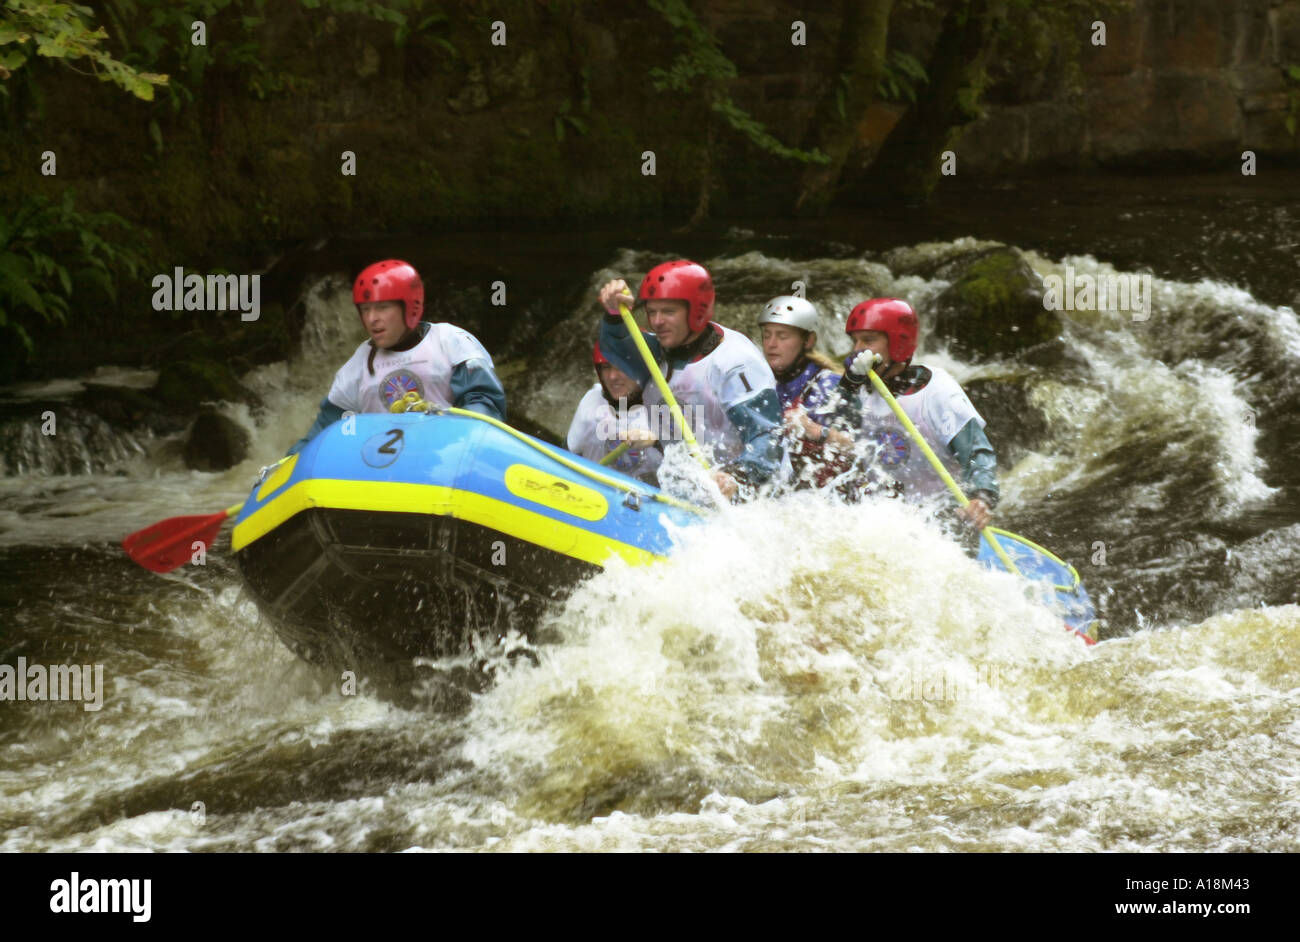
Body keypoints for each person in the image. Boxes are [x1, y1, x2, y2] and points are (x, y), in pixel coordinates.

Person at [597, 260, 781, 500]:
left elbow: (767, 436)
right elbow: (617, 348)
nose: (657, 322)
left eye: (668, 312)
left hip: (746, 497)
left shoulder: (735, 362)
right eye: (652, 312)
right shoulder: (657, 352)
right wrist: (613, 314)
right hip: (688, 491)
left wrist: (737, 476)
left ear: (697, 311)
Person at [289, 259, 506, 454]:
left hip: (448, 458)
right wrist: (289, 463)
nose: (372, 319)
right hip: (386, 474)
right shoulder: (356, 368)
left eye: (382, 308)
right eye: (365, 310)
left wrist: (453, 432)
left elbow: (483, 403)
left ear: (411, 307)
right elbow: (323, 436)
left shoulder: (451, 341)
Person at [831, 297, 997, 528]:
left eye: (868, 340)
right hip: (881, 516)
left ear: (898, 343)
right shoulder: (859, 389)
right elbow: (839, 431)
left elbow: (976, 453)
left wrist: (982, 496)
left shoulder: (937, 390)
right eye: (855, 341)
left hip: (943, 516)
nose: (857, 350)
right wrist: (847, 387)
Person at [756, 295, 850, 489]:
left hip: (828, 496)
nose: (771, 344)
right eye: (767, 335)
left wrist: (815, 430)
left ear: (808, 341)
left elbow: (856, 446)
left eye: (782, 336)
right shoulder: (760, 382)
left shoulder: (828, 386)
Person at [566, 341, 661, 482]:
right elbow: (568, 453)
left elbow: (691, 465)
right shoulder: (593, 399)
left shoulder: (663, 408)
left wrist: (655, 441)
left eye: (620, 367)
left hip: (641, 499)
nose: (612, 376)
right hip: (589, 491)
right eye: (606, 367)